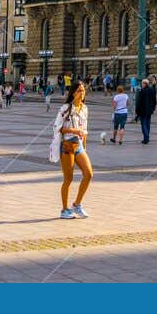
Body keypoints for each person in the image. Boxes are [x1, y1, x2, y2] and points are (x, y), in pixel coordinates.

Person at [52, 82, 93, 219]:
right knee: (68, 179)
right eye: (79, 91)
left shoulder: (85, 109)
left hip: (79, 145)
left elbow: (84, 131)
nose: (82, 93)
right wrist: (73, 130)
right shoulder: (66, 108)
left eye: (83, 90)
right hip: (67, 145)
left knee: (88, 174)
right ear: (73, 93)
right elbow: (58, 128)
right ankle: (64, 210)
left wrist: (84, 147)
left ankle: (77, 204)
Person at [135, 77, 157, 144]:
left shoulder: (142, 91)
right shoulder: (152, 90)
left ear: (144, 83)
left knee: (143, 124)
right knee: (148, 124)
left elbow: (139, 102)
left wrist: (137, 110)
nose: (142, 85)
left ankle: (146, 138)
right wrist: (153, 108)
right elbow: (154, 100)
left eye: (142, 83)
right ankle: (147, 137)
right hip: (149, 110)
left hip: (143, 111)